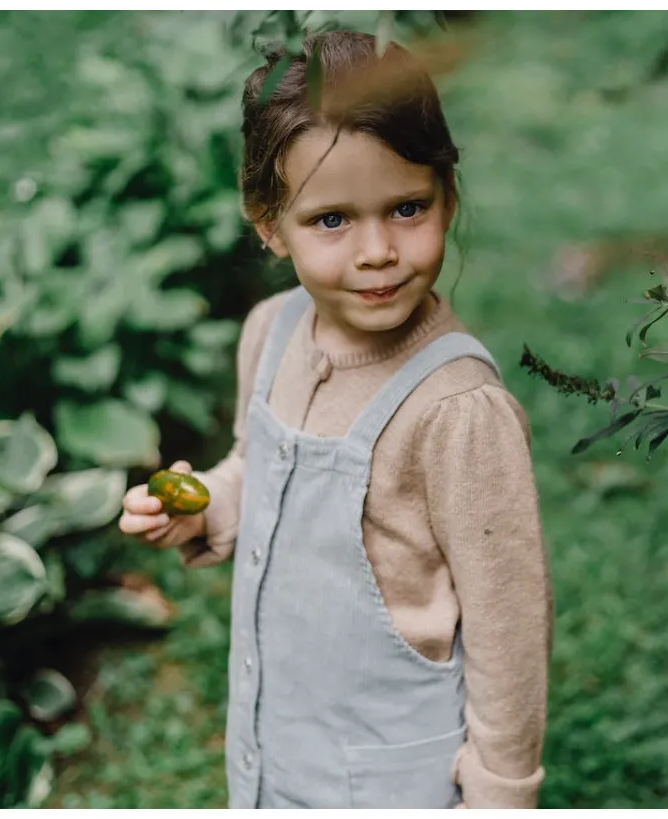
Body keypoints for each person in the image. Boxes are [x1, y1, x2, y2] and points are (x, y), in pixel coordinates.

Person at [119, 29, 553, 810]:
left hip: (394, 781)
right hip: (275, 751)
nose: (379, 250)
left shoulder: (457, 410)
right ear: (267, 221)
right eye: (332, 220)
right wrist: (211, 504)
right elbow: (260, 467)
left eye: (407, 207)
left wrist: (500, 790)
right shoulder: (273, 332)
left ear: (447, 195)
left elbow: (510, 627)